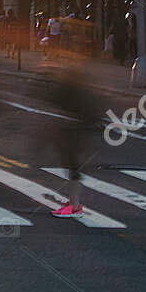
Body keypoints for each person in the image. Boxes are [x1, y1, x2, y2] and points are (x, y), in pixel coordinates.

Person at [40, 63, 102, 217]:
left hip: (73, 132)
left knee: (73, 167)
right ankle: (73, 202)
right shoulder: (80, 90)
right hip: (75, 131)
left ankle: (75, 206)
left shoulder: (69, 90)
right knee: (72, 166)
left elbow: (52, 99)